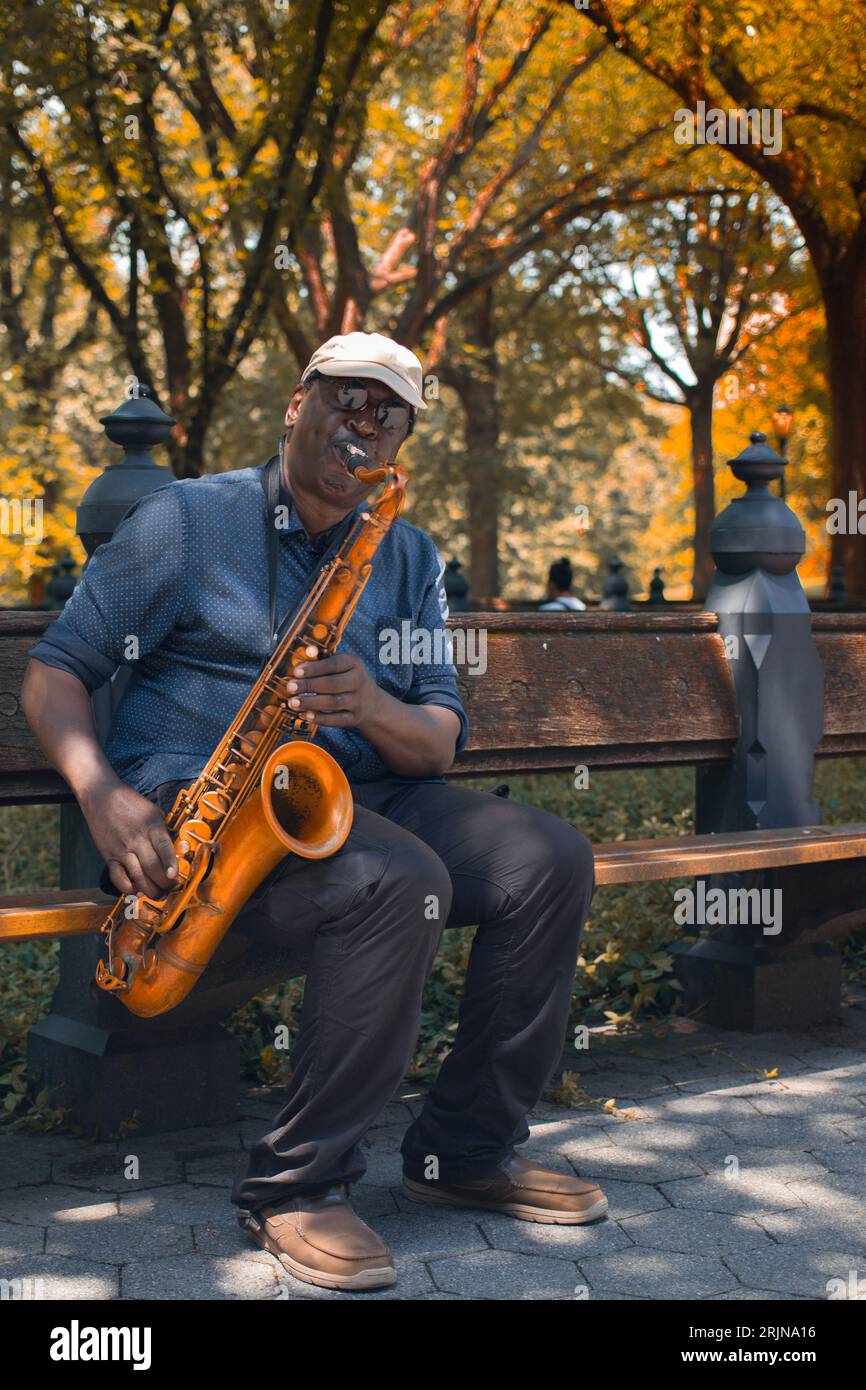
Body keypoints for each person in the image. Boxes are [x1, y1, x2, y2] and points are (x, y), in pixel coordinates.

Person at [21, 331, 603, 1294]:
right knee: (398, 881)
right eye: (346, 401)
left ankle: (462, 1156)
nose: (362, 427)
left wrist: (369, 704)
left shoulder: (407, 556)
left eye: (388, 414)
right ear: (298, 404)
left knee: (549, 857)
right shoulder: (189, 521)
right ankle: (297, 1186)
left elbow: (437, 741)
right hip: (201, 808)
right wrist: (101, 794)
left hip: (357, 789)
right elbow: (57, 670)